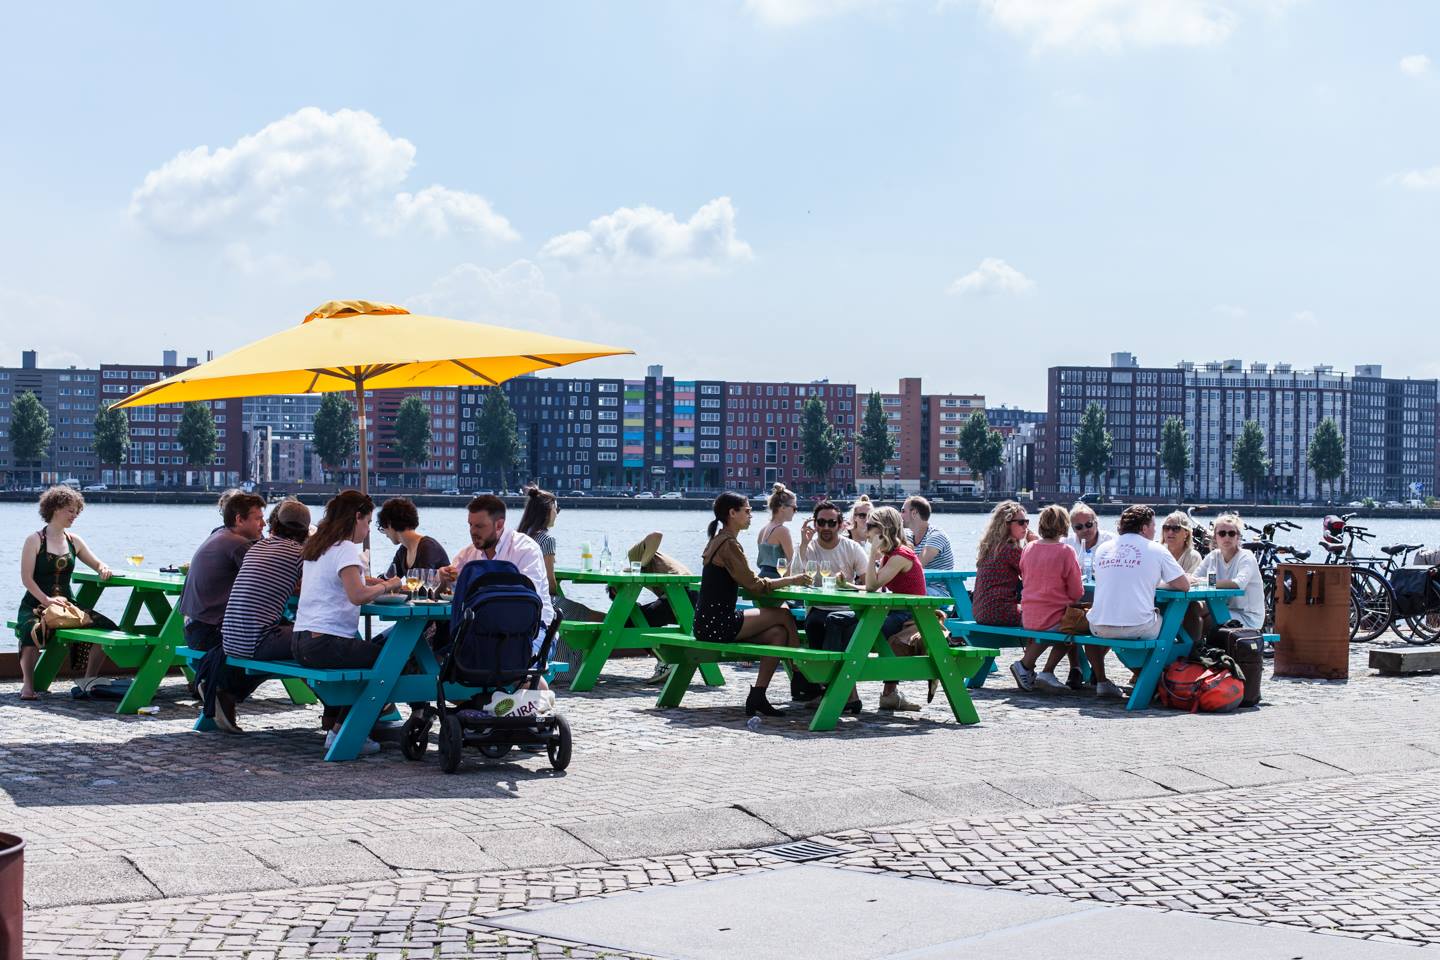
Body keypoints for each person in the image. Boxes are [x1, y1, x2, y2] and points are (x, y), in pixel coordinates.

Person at [291, 490, 402, 755]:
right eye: (367, 522)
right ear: (357, 517)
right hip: (325, 644)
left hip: (301, 642)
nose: (367, 530)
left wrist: (374, 583)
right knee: (392, 662)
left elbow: (347, 583)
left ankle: (340, 726)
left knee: (377, 655)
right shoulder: (346, 549)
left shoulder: (319, 545)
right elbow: (357, 595)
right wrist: (388, 586)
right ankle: (344, 732)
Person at [695, 492, 809, 717]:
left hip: (705, 623)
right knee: (784, 616)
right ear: (732, 513)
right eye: (747, 511)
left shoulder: (718, 540)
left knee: (777, 634)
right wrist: (792, 579)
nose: (751, 515)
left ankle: (758, 695)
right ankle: (800, 675)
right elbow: (755, 585)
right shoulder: (729, 545)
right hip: (718, 624)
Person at [215, 499, 313, 731]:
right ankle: (342, 708)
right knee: (319, 640)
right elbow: (320, 587)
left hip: (229, 639)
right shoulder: (299, 553)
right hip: (256, 641)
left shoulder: (256, 547)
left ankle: (228, 691)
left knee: (286, 636)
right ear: (305, 530)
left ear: (274, 524)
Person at [14, 487, 117, 701]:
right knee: (31, 631)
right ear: (55, 509)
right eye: (70, 511)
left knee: (107, 629)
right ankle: (28, 686)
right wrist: (46, 600)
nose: (74, 516)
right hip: (35, 604)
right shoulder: (34, 540)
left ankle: (89, 680)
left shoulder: (74, 541)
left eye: (76, 512)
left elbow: (97, 563)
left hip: (67, 607)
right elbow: (26, 579)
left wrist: (102, 569)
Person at [441, 494, 555, 682]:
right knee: (443, 663)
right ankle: (481, 705)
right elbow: (451, 594)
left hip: (530, 630)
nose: (473, 531)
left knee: (514, 667)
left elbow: (525, 600)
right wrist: (443, 580)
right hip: (483, 632)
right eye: (470, 525)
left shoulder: (526, 549)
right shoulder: (468, 554)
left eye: (479, 526)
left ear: (499, 525)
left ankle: (522, 696)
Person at [1088, 505, 1190, 700]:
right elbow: (1184, 585)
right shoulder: (1156, 549)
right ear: (1144, 528)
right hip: (1138, 626)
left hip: (1098, 626)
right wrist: (1161, 583)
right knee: (1173, 626)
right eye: (1153, 525)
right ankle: (1159, 677)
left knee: (1100, 623)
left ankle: (1102, 681)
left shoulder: (1103, 548)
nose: (1155, 530)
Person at [793, 499, 870, 700]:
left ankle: (826, 687)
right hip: (818, 607)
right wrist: (802, 543)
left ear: (841, 524)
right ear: (814, 523)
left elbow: (870, 584)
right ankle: (834, 689)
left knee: (835, 622)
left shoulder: (852, 547)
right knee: (816, 623)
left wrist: (849, 586)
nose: (826, 527)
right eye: (821, 522)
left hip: (847, 608)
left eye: (831, 523)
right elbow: (795, 578)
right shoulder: (807, 547)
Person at [179, 492, 267, 655]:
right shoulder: (238, 545)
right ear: (239, 520)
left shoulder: (220, 534)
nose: (264, 524)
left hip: (193, 628)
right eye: (258, 519)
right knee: (294, 640)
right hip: (209, 633)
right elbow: (268, 584)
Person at [863, 505, 931, 712]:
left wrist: (872, 554)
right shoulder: (891, 554)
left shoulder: (901, 555)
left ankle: (837, 683)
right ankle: (887, 693)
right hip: (897, 611)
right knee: (842, 621)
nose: (866, 531)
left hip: (911, 616)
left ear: (884, 529)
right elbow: (873, 585)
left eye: (870, 526)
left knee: (858, 628)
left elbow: (871, 586)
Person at [1010, 504, 1084, 694]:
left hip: (1029, 614)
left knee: (1065, 625)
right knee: (1073, 627)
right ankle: (1039, 669)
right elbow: (1077, 592)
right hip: (1052, 617)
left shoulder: (1029, 548)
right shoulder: (1066, 551)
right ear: (1064, 525)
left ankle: (1046, 670)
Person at [1191, 513, 1265, 629]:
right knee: (1191, 609)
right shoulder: (1213, 556)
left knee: (1208, 619)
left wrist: (1206, 582)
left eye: (1231, 533)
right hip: (1222, 607)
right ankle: (1190, 645)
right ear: (1215, 537)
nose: (1227, 537)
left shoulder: (1246, 557)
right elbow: (1194, 578)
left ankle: (1197, 646)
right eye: (1222, 533)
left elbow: (1238, 584)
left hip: (1247, 617)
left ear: (1238, 537)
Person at [973, 501, 1034, 628]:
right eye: (1021, 522)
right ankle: (1035, 647)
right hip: (999, 612)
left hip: (980, 612)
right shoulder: (1010, 549)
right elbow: (1035, 574)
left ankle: (1034, 646)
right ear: (1006, 525)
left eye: (1027, 522)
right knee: (1047, 617)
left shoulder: (991, 547)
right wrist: (1036, 546)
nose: (1026, 526)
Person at [376, 497, 449, 578]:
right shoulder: (403, 550)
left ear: (389, 524)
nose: (386, 535)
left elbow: (423, 587)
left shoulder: (427, 547)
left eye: (383, 529)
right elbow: (388, 578)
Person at [902, 496, 955, 596]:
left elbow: (917, 565)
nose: (900, 515)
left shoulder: (936, 535)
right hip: (915, 588)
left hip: (938, 591)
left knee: (899, 599)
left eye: (903, 511)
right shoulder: (906, 535)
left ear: (914, 513)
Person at [1064, 502, 1115, 580]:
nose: (1085, 530)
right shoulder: (1065, 543)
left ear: (1096, 523)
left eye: (1089, 524)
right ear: (1073, 529)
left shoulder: (1112, 541)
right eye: (1079, 527)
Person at [755, 482, 797, 577]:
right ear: (782, 507)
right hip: (776, 580)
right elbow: (791, 563)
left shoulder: (762, 530)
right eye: (794, 508)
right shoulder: (783, 531)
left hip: (762, 578)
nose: (796, 511)